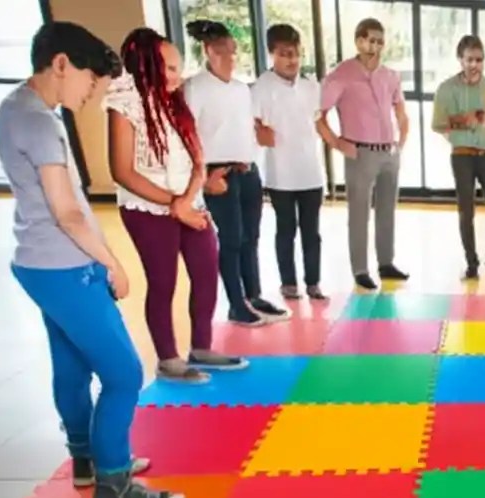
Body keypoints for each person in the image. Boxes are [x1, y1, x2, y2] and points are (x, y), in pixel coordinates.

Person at [0, 21, 182, 498]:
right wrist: (112, 263)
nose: (91, 94)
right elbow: (68, 212)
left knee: (72, 365)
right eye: (90, 81)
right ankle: (114, 484)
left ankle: (86, 459)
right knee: (124, 373)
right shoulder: (40, 122)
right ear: (61, 64)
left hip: (36, 263)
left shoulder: (15, 106)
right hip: (66, 266)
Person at [106, 28, 246, 385]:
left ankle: (202, 347)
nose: (176, 76)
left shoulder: (175, 101)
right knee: (163, 281)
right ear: (146, 65)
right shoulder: (124, 103)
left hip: (189, 202)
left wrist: (189, 198)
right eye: (169, 68)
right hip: (146, 209)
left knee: (206, 270)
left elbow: (197, 158)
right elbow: (122, 171)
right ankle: (168, 359)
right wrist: (174, 204)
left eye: (178, 68)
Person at [184, 20, 287, 323]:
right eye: (222, 50)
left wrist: (259, 144)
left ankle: (253, 295)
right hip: (219, 173)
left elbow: (247, 128)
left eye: (233, 50)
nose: (230, 56)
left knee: (250, 237)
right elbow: (187, 137)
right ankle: (236, 304)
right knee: (231, 238)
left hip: (247, 170)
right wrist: (204, 178)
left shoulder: (242, 89)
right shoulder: (195, 88)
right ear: (208, 51)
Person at [316, 17, 410, 291]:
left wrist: (401, 142)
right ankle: (360, 269)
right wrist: (337, 143)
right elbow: (318, 115)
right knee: (359, 214)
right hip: (360, 152)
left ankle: (386, 263)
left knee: (387, 210)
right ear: (358, 42)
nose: (376, 47)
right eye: (371, 41)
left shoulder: (390, 76)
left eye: (380, 42)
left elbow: (401, 111)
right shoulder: (341, 75)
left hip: (388, 152)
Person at [254, 23, 326, 300]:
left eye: (296, 53)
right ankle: (288, 283)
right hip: (280, 175)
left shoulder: (310, 86)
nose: (292, 60)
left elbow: (318, 123)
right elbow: (252, 124)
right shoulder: (261, 87)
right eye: (284, 54)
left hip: (311, 172)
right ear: (272, 53)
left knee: (312, 232)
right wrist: (260, 132)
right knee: (286, 231)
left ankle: (313, 282)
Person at [432, 34, 485, 281]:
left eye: (479, 59)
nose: (474, 64)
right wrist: (462, 122)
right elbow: (438, 124)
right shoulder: (446, 89)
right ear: (460, 59)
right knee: (466, 212)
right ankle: (471, 263)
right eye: (469, 59)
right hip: (462, 156)